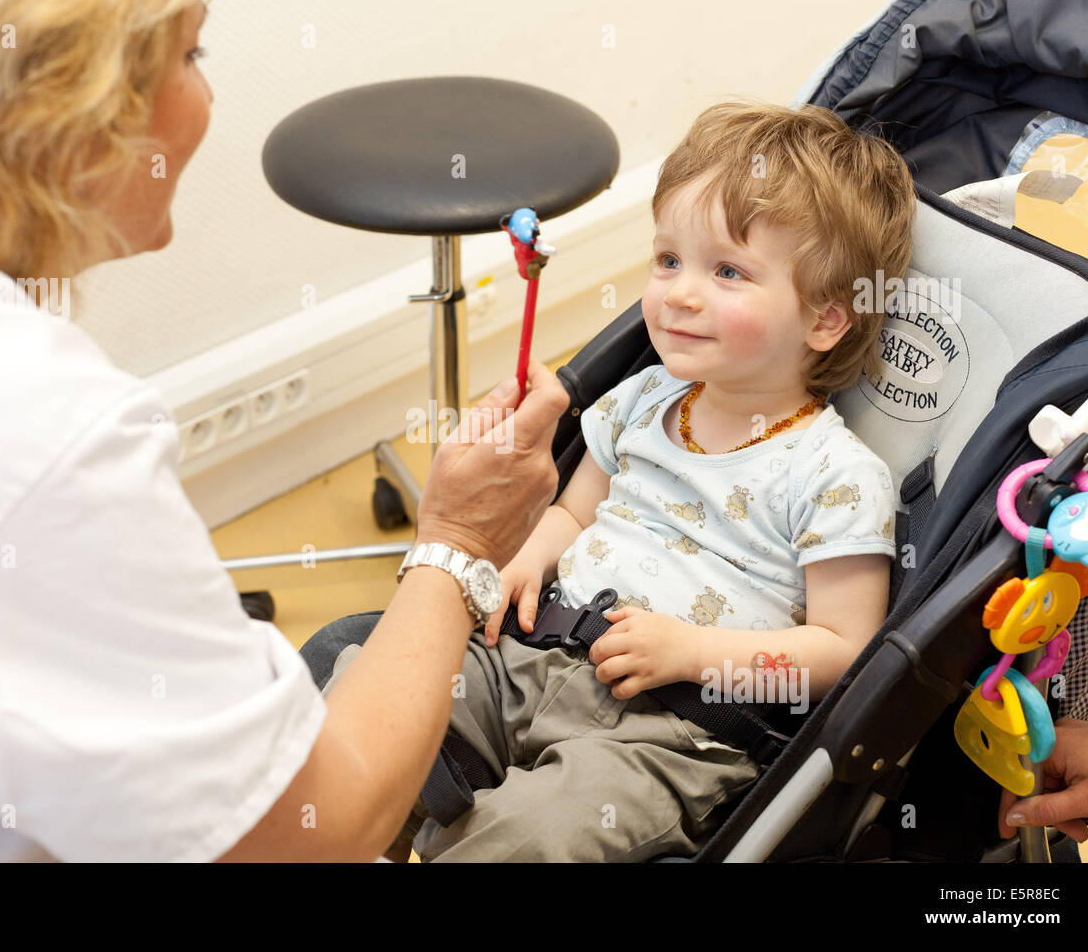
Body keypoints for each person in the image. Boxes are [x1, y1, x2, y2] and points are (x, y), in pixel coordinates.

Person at [0, 0, 569, 862]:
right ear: (73, 101)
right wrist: (459, 544)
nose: (204, 96)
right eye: (191, 52)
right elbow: (310, 833)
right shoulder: (26, 441)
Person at [319, 101, 917, 861]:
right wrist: (526, 558)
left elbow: (844, 648)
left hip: (668, 731)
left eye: (727, 271)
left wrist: (694, 652)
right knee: (363, 693)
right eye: (668, 260)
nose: (680, 293)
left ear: (826, 321)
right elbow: (571, 513)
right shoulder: (640, 399)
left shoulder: (837, 475)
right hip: (531, 658)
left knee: (537, 832)